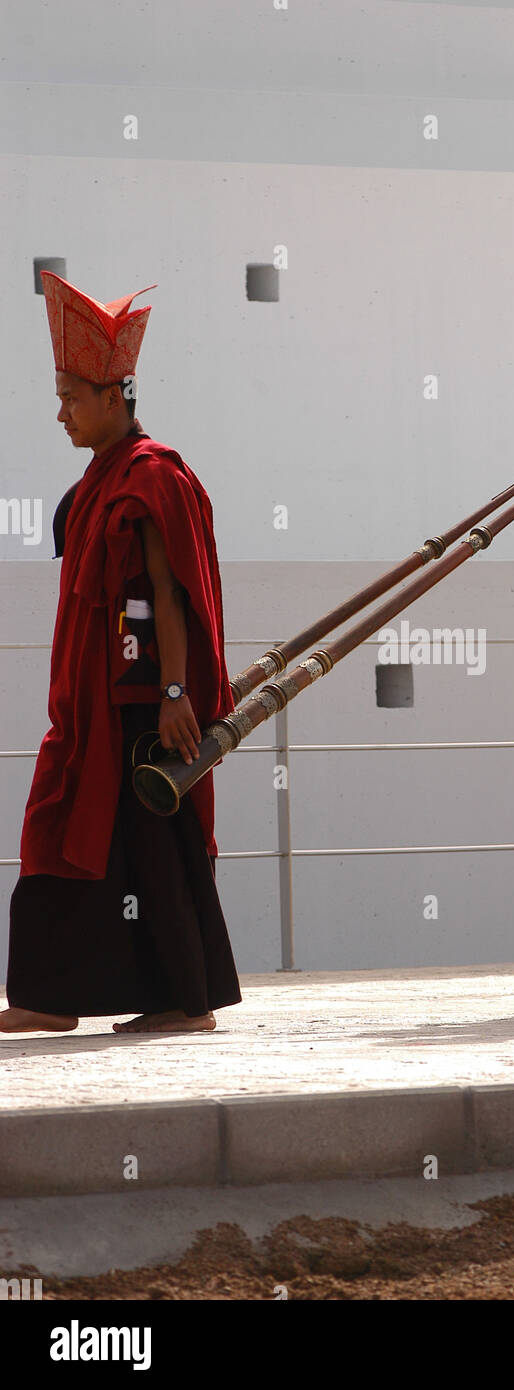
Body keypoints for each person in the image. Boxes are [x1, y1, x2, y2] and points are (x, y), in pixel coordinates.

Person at [0, 272, 241, 1035]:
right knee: (80, 834)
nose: (62, 412)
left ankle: (178, 1002)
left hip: (138, 697)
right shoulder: (98, 481)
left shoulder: (151, 474)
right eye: (60, 395)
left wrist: (176, 694)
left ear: (117, 396)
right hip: (91, 699)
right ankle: (65, 997)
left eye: (74, 397)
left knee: (150, 847)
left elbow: (169, 594)